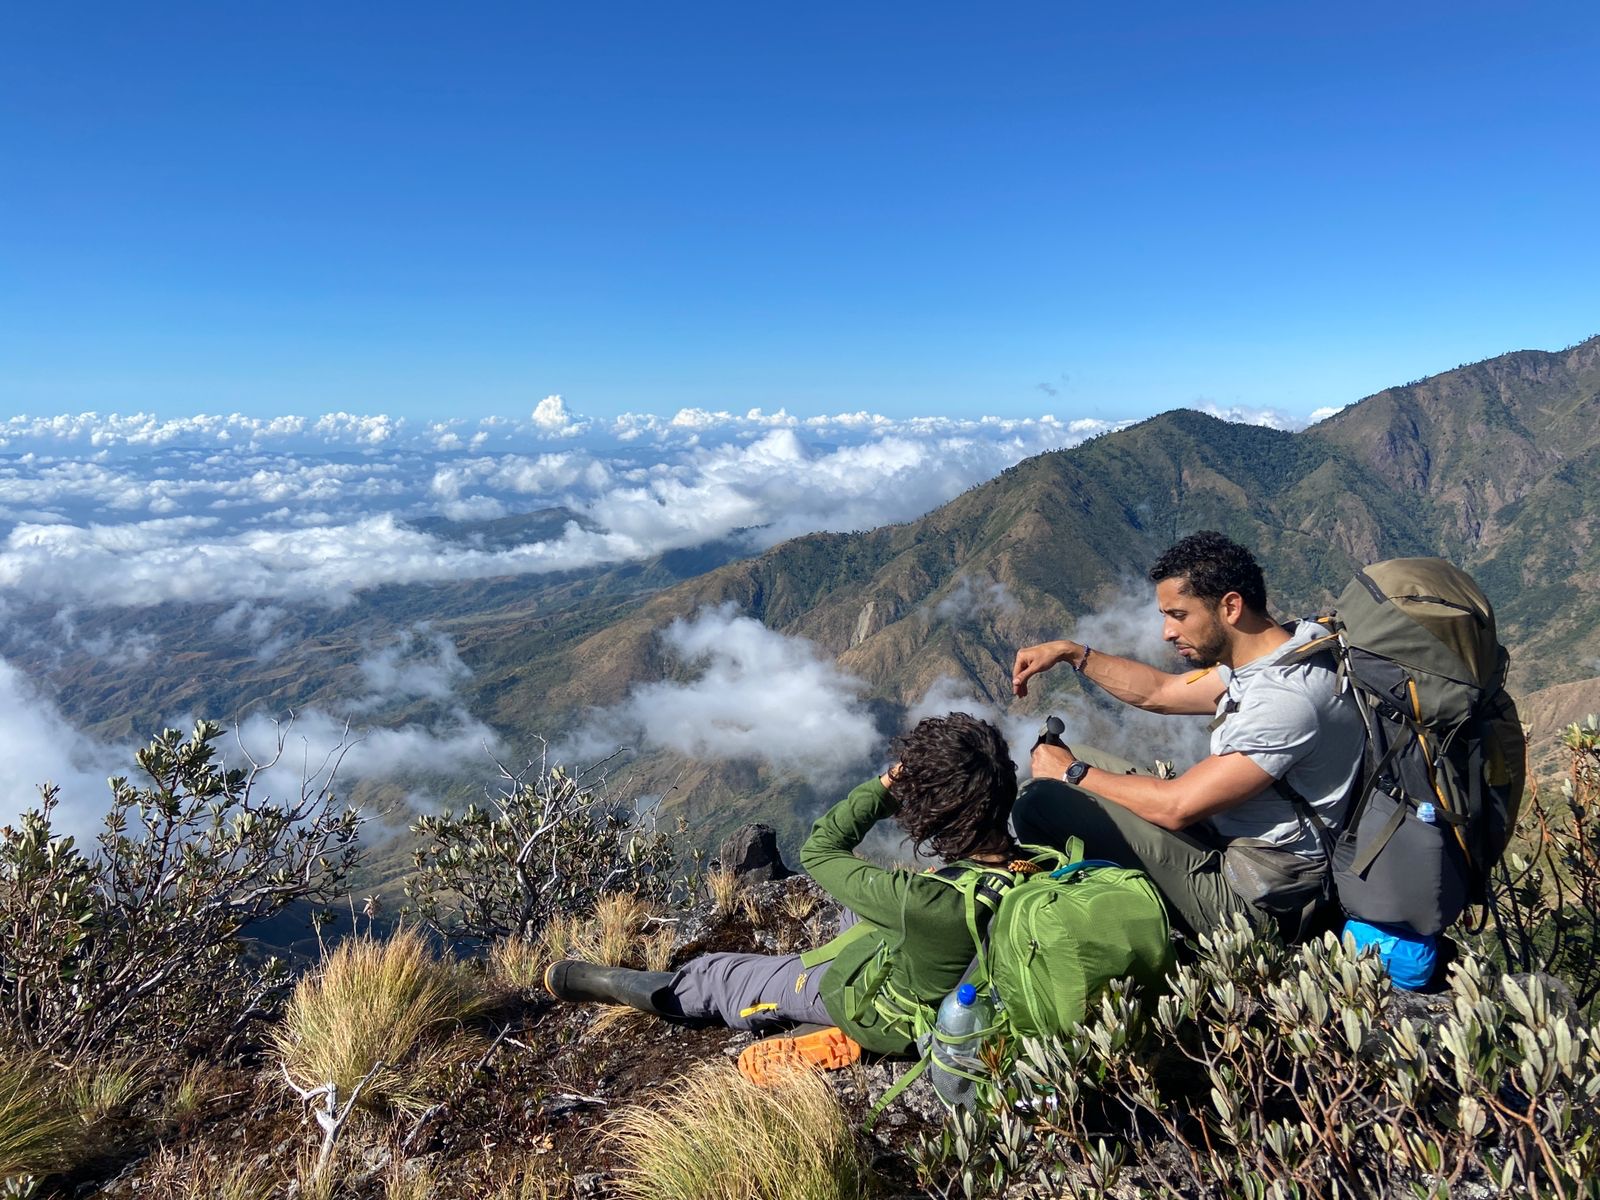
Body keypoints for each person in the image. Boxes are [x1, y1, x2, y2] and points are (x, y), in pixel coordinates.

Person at [544, 712, 1024, 1083]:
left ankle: (622, 984)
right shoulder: (1040, 865)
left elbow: (821, 847)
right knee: (859, 900)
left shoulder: (917, 900)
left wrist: (888, 785)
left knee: (718, 975)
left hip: (880, 1006)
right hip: (950, 965)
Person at [1010, 531, 1363, 941]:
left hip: (1262, 898)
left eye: (1178, 615)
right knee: (1076, 760)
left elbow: (1176, 807)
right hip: (1234, 847)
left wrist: (1071, 773)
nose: (1166, 632)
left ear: (1230, 606)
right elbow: (1162, 692)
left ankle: (1073, 930)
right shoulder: (1282, 649)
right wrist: (1072, 653)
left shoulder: (1286, 699)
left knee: (1042, 801)